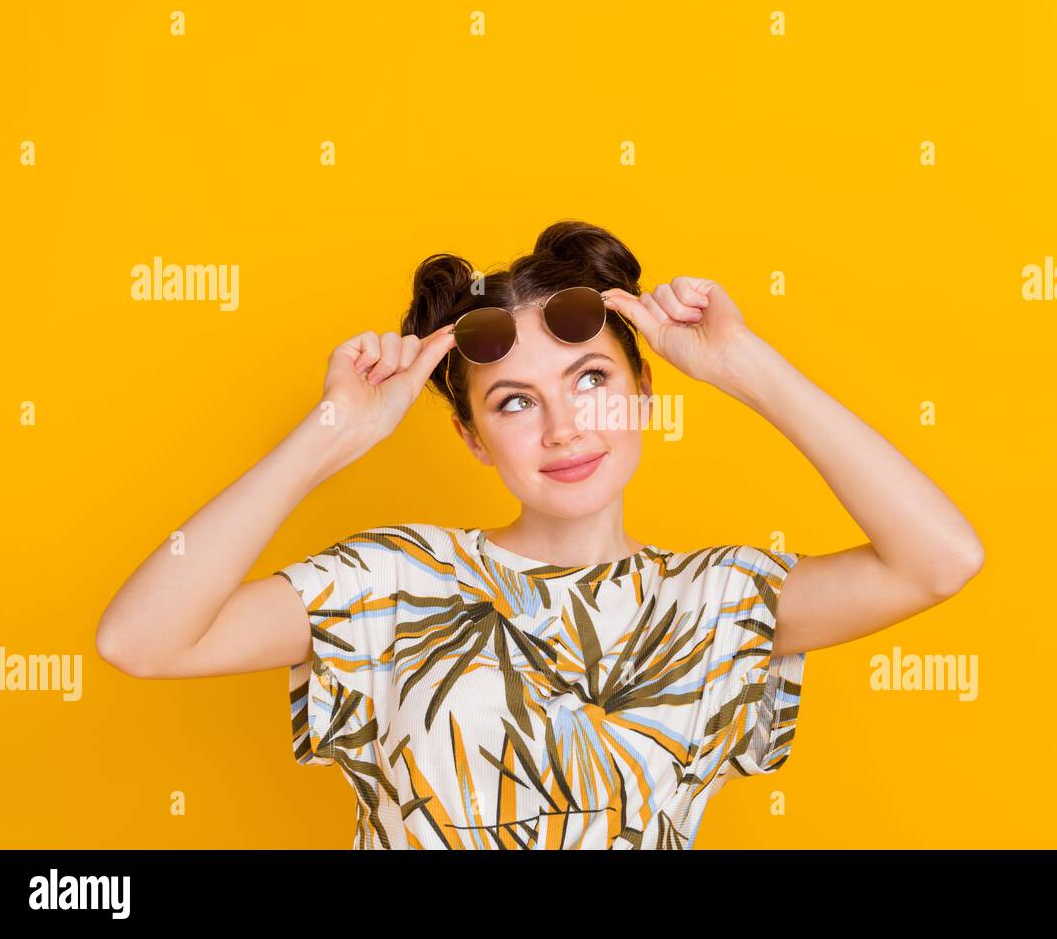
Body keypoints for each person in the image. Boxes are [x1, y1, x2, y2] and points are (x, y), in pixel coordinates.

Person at [96, 220, 984, 849]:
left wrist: (742, 364)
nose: (563, 427)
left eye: (592, 378)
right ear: (473, 438)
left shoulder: (719, 602)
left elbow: (942, 560)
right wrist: (332, 432)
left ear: (643, 393)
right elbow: (140, 640)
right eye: (515, 401)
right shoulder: (393, 583)